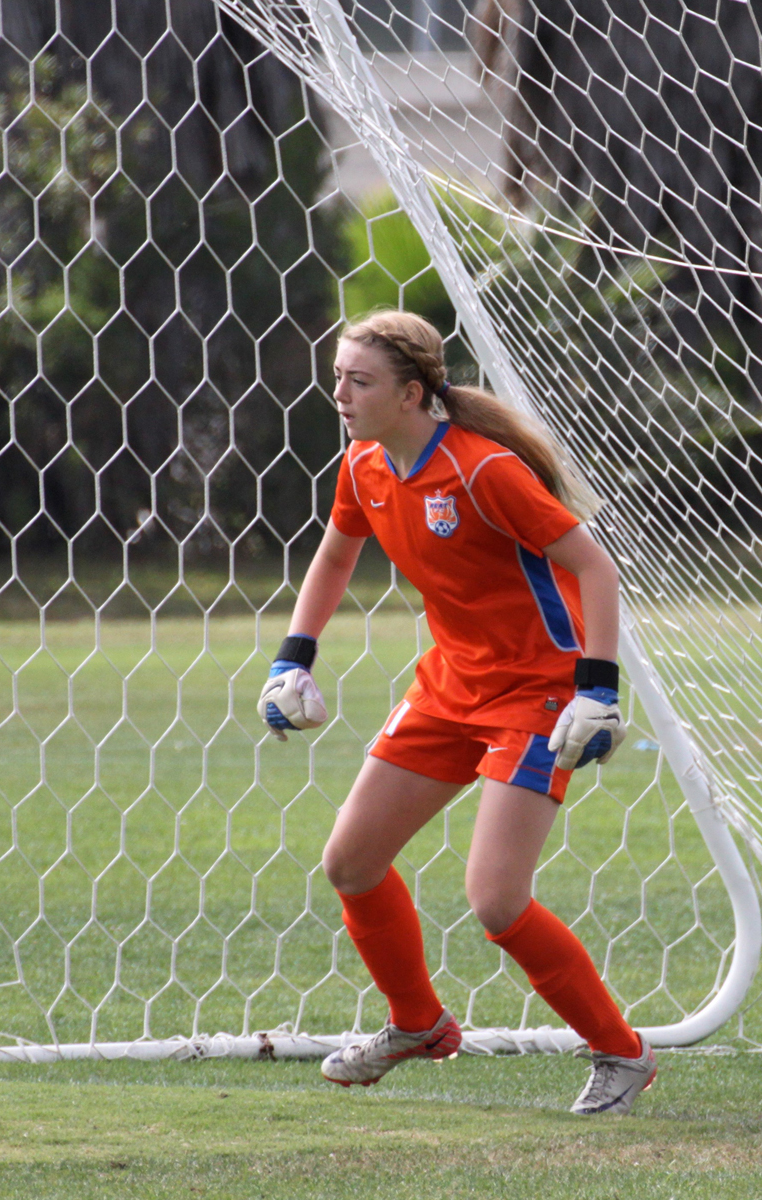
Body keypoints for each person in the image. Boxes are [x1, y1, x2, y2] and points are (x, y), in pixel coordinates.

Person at [258, 310, 655, 1115]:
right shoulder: (363, 464)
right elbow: (337, 552)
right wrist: (293, 655)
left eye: (357, 380)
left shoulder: (483, 471)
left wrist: (599, 687)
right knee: (350, 863)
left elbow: (596, 568)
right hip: (448, 689)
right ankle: (417, 1025)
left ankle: (622, 1054)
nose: (339, 392)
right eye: (337, 376)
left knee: (497, 901)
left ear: (411, 393)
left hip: (538, 693)